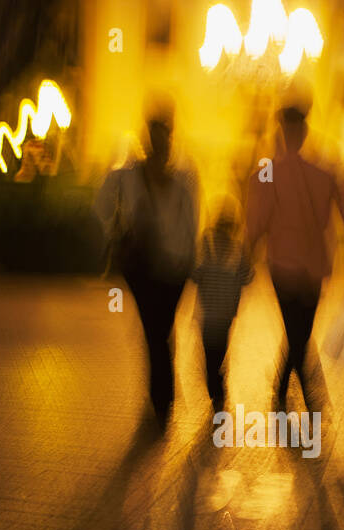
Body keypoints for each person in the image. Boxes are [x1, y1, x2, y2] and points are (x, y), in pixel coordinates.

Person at [245, 82, 344, 418]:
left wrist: (246, 254)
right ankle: (305, 397)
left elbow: (257, 221)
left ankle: (284, 392)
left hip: (283, 265)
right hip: (313, 265)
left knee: (296, 332)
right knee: (299, 331)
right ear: (305, 127)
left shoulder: (267, 172)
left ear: (284, 129)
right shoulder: (327, 167)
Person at [94, 94, 200, 433]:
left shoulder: (184, 177)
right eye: (156, 135)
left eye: (164, 135)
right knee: (155, 331)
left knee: (160, 330)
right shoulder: (128, 175)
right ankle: (163, 398)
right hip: (142, 266)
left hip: (175, 268)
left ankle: (163, 395)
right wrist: (116, 229)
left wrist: (187, 258)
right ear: (149, 138)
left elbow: (192, 220)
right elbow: (101, 205)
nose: (160, 142)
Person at [192, 198, 253, 414]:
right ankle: (217, 383)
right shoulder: (237, 251)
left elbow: (195, 275)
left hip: (210, 311)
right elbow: (247, 277)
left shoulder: (206, 246)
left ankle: (214, 383)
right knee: (219, 351)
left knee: (210, 351)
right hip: (225, 312)